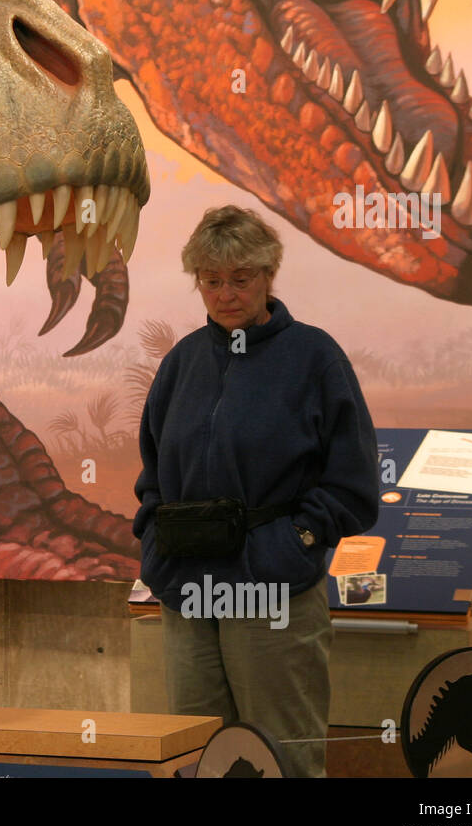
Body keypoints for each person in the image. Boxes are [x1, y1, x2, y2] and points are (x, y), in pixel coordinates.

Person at [132, 204, 379, 777]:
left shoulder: (315, 358)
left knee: (281, 756)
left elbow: (353, 483)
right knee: (192, 756)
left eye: (240, 279)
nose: (225, 294)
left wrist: (294, 542)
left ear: (269, 274)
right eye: (211, 281)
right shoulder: (181, 363)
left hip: (274, 590)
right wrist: (155, 547)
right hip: (189, 589)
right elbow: (152, 475)